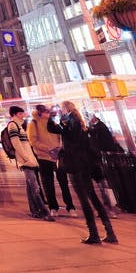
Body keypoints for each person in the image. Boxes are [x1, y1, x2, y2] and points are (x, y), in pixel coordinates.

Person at [47, 101, 118, 245]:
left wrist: (53, 117)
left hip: (75, 166)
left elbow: (57, 131)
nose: (60, 111)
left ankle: (94, 234)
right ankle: (110, 232)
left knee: (85, 200)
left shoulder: (70, 122)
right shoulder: (79, 123)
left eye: (61, 109)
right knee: (93, 198)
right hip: (85, 165)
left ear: (66, 109)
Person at [27, 104, 77, 218]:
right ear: (40, 112)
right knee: (48, 184)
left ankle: (70, 206)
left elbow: (60, 135)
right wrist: (48, 149)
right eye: (45, 111)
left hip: (58, 156)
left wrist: (59, 147)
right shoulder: (33, 123)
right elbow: (33, 141)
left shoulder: (52, 122)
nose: (48, 113)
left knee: (64, 182)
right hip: (43, 157)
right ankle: (53, 207)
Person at [7, 105, 54, 222]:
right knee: (35, 187)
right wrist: (26, 158)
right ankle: (44, 212)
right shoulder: (13, 125)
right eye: (21, 113)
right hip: (26, 161)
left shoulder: (19, 126)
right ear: (16, 114)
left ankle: (34, 211)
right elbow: (16, 144)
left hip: (29, 160)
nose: (23, 115)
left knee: (30, 186)